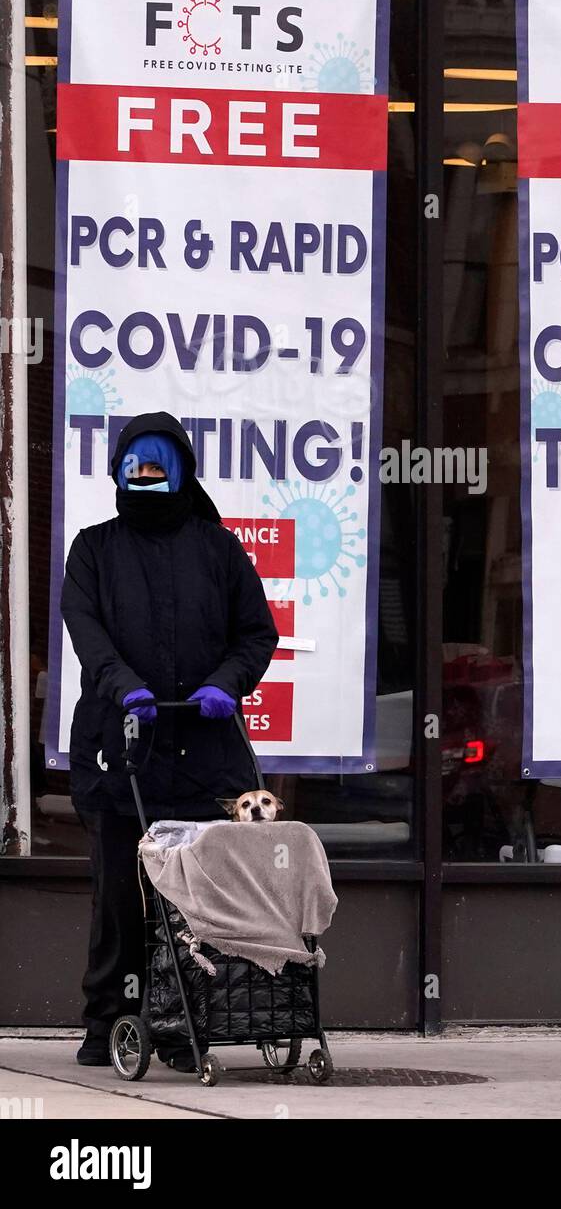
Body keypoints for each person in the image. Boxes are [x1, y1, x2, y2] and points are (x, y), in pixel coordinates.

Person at [61, 411, 278, 1069]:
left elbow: (255, 633)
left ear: (182, 470)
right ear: (119, 474)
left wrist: (226, 684)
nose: (146, 473)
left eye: (159, 463)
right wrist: (125, 686)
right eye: (136, 464)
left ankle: (185, 1023)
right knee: (123, 899)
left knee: (197, 898)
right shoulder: (93, 550)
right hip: (122, 751)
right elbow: (87, 629)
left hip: (205, 759)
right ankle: (110, 1022)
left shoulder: (219, 550)